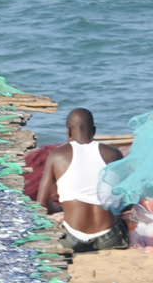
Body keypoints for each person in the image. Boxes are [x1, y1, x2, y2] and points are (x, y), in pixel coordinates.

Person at [36, 108, 131, 252]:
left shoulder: (57, 155)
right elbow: (126, 202)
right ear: (93, 130)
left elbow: (42, 203)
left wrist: (60, 210)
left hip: (72, 239)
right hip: (110, 239)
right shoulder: (113, 153)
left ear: (69, 132)